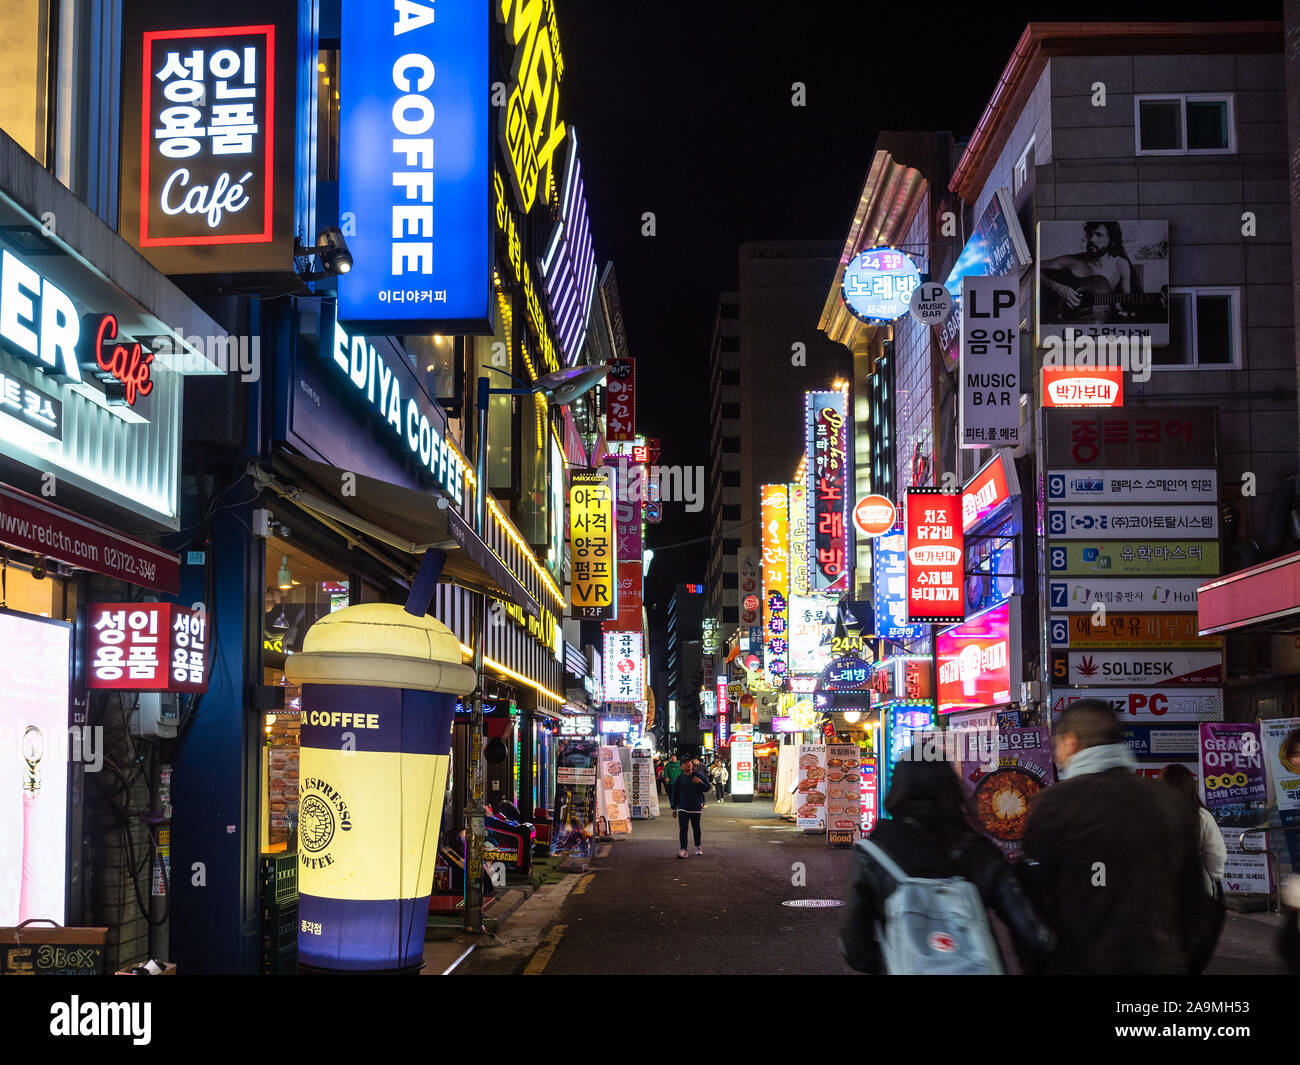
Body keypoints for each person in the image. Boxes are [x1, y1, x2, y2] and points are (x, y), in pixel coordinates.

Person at [1019, 700, 1216, 974]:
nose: (1056, 755)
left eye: (1057, 745)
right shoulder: (1167, 801)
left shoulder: (1056, 803)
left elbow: (1032, 905)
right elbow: (1196, 902)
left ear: (1071, 742)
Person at [839, 749, 1054, 974]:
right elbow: (1035, 936)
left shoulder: (872, 854)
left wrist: (900, 959)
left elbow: (855, 951)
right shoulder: (978, 851)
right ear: (951, 787)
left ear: (897, 789)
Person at [1157, 763, 1227, 974]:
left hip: (1159, 892)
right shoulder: (1201, 816)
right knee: (1195, 946)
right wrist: (1214, 878)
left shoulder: (1154, 814)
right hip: (1198, 891)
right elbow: (1216, 854)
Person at [670, 757, 710, 858]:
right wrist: (673, 808)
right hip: (683, 807)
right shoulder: (678, 779)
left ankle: (698, 847)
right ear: (681, 766)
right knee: (683, 829)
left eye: (689, 763)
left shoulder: (698, 775)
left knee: (696, 829)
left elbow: (707, 788)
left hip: (696, 807)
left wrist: (700, 782)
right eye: (686, 763)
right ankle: (683, 850)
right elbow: (674, 794)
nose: (688, 765)